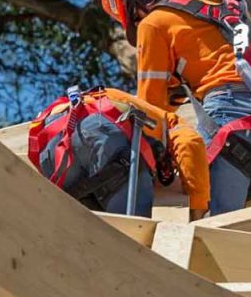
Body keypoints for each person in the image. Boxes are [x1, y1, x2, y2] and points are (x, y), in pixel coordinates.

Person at [100, 0, 251, 217]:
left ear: (138, 1)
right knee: (218, 230)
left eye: (134, 17)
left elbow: (150, 112)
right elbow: (226, 63)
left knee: (196, 230)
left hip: (228, 123)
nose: (138, 22)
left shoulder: (154, 23)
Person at [27, 85, 210, 217]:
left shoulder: (104, 97)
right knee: (138, 236)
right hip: (96, 130)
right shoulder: (169, 121)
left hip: (50, 149)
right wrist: (198, 209)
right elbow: (190, 142)